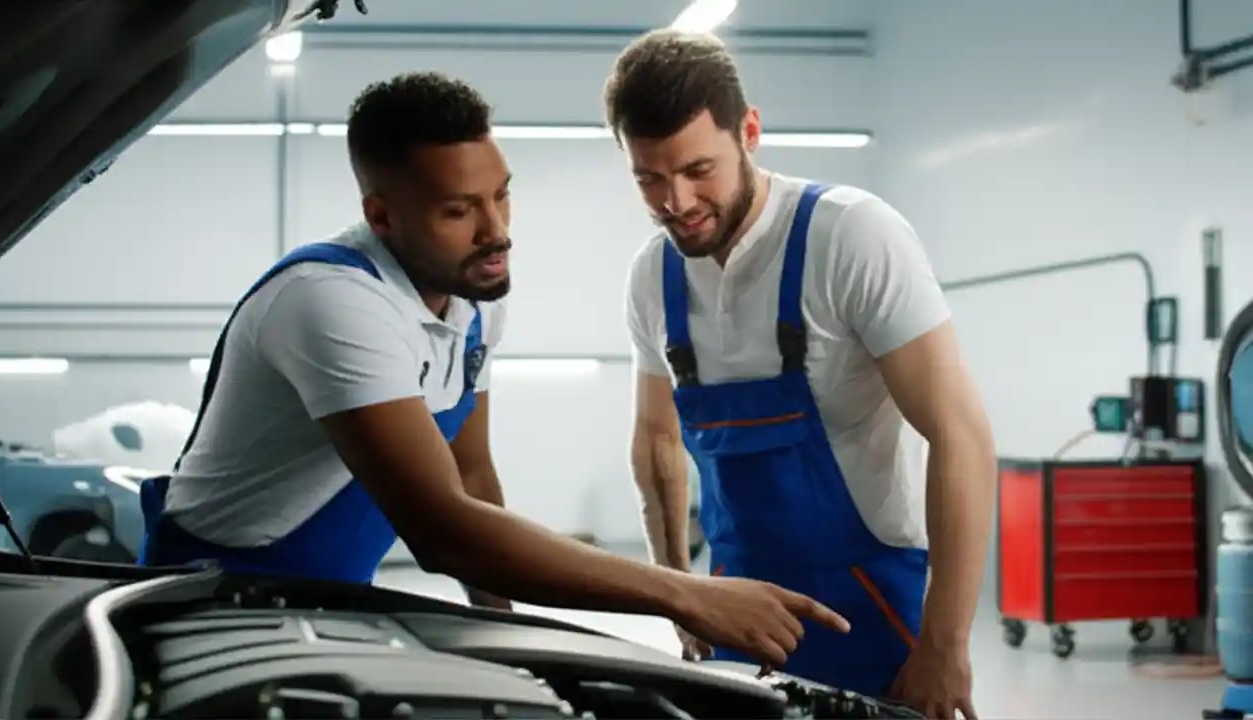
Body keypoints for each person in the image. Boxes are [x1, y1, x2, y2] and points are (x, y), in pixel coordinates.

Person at [135, 70, 849, 669]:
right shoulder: (331, 305)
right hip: (213, 609)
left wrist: (501, 632)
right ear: (381, 216)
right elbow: (444, 530)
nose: (497, 230)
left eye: (501, 194)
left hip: (328, 608)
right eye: (459, 209)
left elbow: (472, 481)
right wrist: (684, 592)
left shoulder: (474, 298)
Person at [605, 30, 996, 719]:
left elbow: (960, 434)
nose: (677, 201)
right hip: (734, 612)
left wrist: (945, 644)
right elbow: (657, 442)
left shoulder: (848, 236)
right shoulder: (653, 275)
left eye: (700, 169)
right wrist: (677, 590)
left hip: (876, 609)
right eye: (650, 178)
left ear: (749, 130)